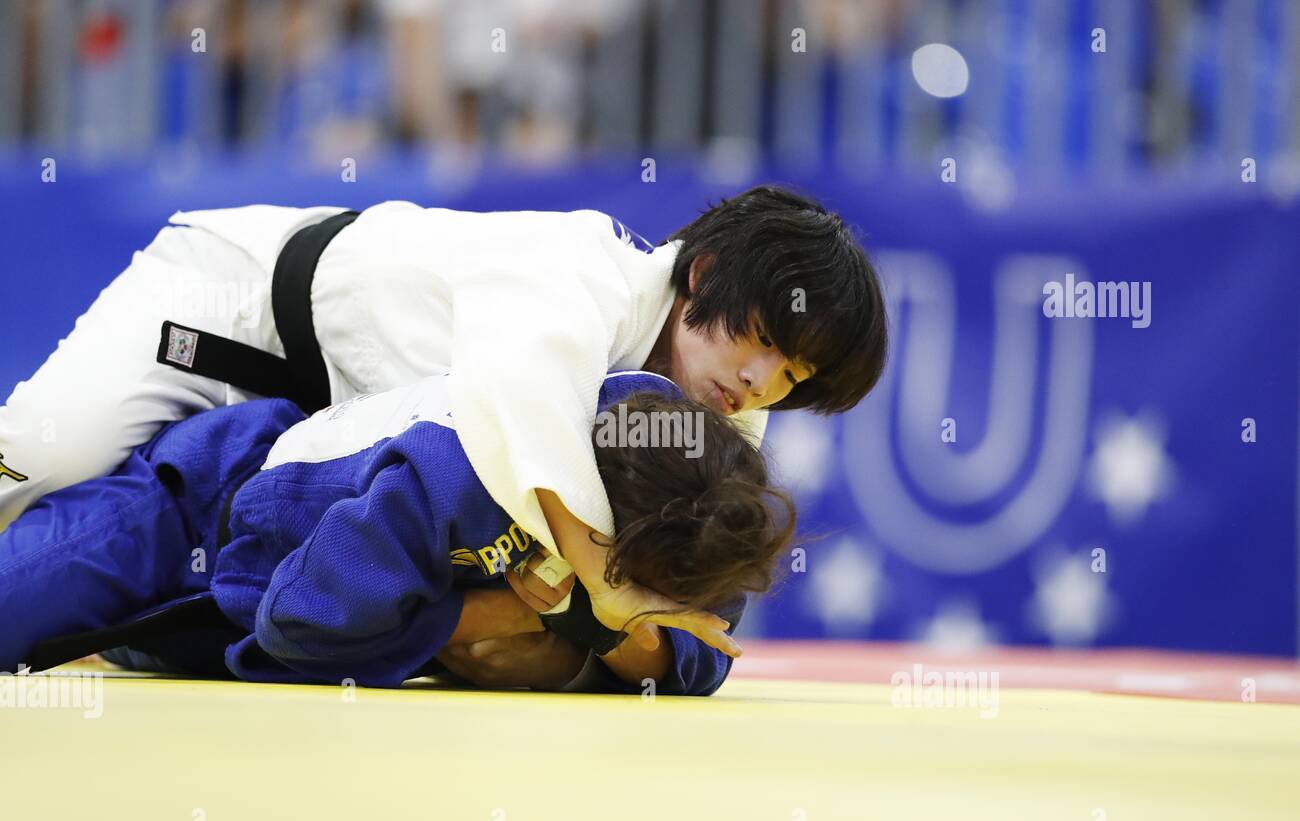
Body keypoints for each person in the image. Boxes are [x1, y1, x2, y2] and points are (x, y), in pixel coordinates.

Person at [0, 185, 884, 654]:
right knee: (44, 455)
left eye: (791, 376)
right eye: (762, 339)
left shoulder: (720, 416)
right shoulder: (582, 269)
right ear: (704, 274)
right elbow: (517, 400)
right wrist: (603, 586)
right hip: (226, 310)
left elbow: (707, 565)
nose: (757, 383)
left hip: (303, 436)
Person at [0, 371, 795, 696]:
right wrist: (514, 616)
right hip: (194, 510)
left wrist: (606, 624)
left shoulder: (691, 479)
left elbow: (698, 652)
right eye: (625, 579)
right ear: (592, 532)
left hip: (213, 628)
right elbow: (299, 622)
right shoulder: (466, 469)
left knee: (122, 647)